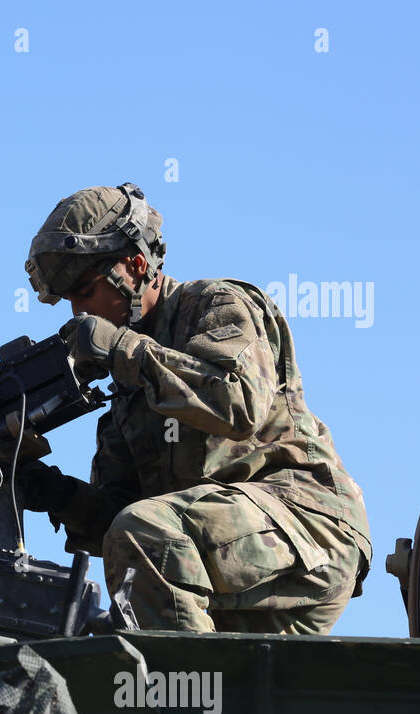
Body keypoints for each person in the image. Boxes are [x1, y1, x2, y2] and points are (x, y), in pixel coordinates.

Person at [19, 183, 371, 634]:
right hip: (226, 562)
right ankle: (198, 693)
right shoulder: (129, 388)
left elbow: (237, 403)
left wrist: (123, 350)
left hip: (310, 526)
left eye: (84, 291)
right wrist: (50, 490)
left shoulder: (216, 306)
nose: (77, 311)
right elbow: (118, 521)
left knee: (143, 533)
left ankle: (187, 696)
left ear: (135, 265)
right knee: (102, 635)